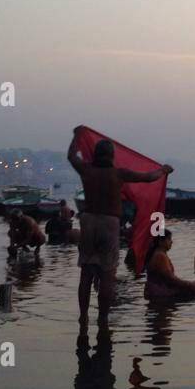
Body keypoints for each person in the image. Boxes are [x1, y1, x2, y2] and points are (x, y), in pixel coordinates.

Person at [67, 133, 172, 327]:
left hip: (88, 221)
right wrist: (163, 170)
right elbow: (149, 178)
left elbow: (71, 156)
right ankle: (103, 318)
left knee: (87, 273)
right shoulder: (118, 174)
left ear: (95, 155)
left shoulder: (86, 170)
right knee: (107, 274)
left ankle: (83, 317)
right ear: (112, 156)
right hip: (109, 223)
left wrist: (76, 137)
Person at [144, 230, 195, 300]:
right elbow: (170, 279)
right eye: (169, 239)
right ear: (160, 242)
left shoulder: (157, 253)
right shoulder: (160, 256)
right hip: (159, 293)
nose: (171, 242)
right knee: (194, 292)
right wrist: (189, 284)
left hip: (154, 291)